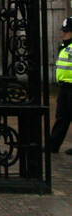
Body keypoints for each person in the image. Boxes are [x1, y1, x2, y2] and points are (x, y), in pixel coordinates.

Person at [48, 17, 72, 154]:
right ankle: (53, 145)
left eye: (67, 31)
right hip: (64, 87)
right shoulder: (64, 46)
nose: (63, 33)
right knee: (62, 117)